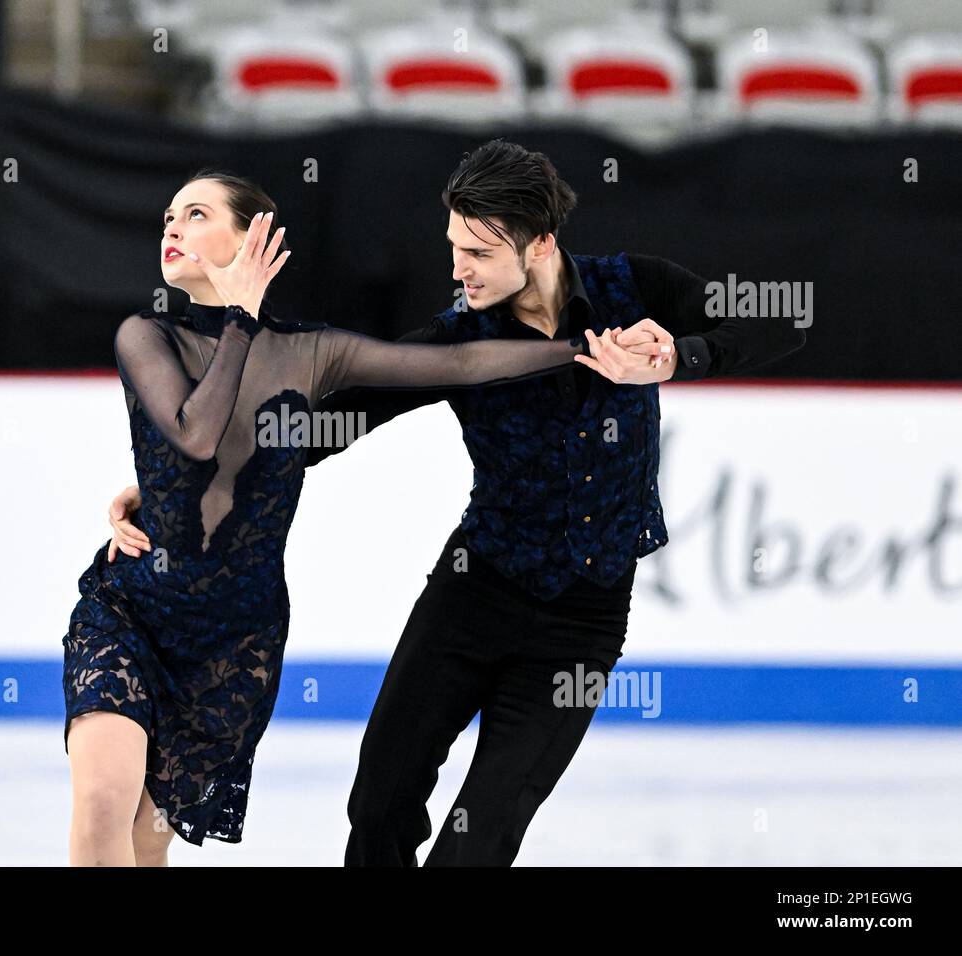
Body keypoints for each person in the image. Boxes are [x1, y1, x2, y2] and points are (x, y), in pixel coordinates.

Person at [104, 141, 807, 866]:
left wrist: (676, 358)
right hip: (472, 596)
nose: (457, 269)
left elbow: (791, 315)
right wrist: (181, 484)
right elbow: (318, 430)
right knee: (379, 800)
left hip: (583, 625)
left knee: (484, 834)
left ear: (540, 244)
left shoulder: (636, 288)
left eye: (477, 252)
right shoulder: (458, 336)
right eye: (453, 247)